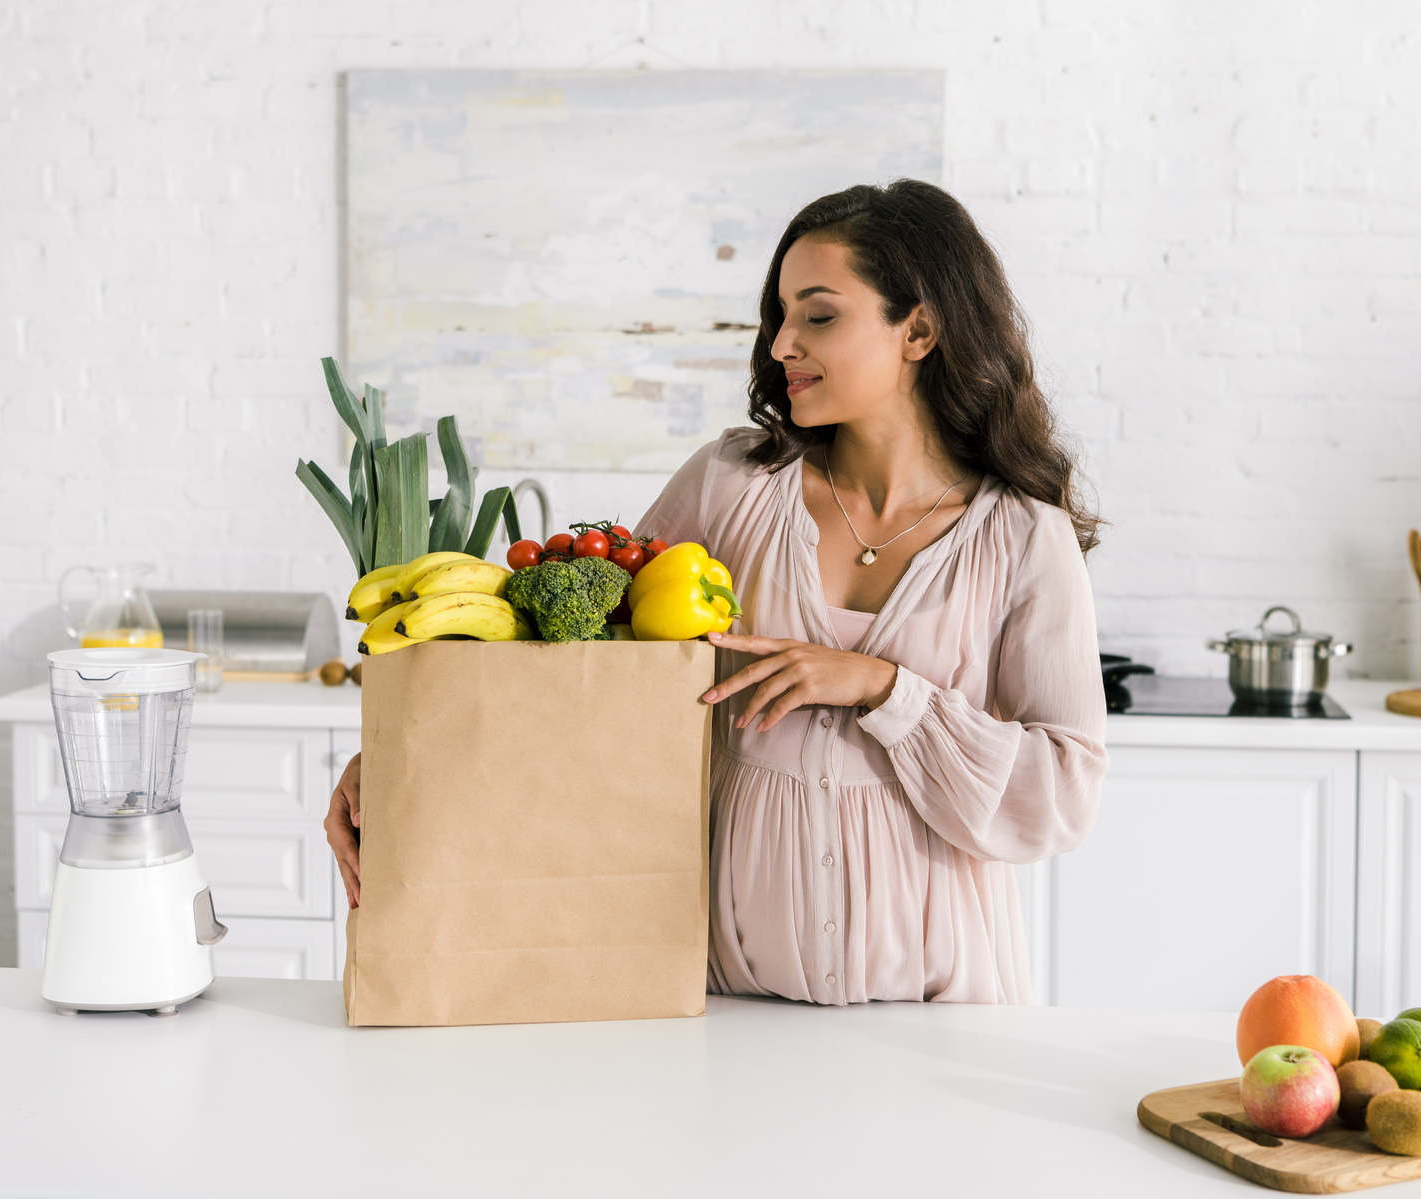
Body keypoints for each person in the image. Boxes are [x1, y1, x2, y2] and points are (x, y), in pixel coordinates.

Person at [325, 178, 1106, 1005]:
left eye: (819, 314)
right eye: (781, 317)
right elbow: (580, 670)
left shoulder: (1023, 535)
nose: (781, 345)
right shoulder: (731, 488)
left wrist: (883, 688)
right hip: (721, 1011)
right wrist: (406, 754)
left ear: (917, 328)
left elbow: (1061, 791)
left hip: (944, 1020)